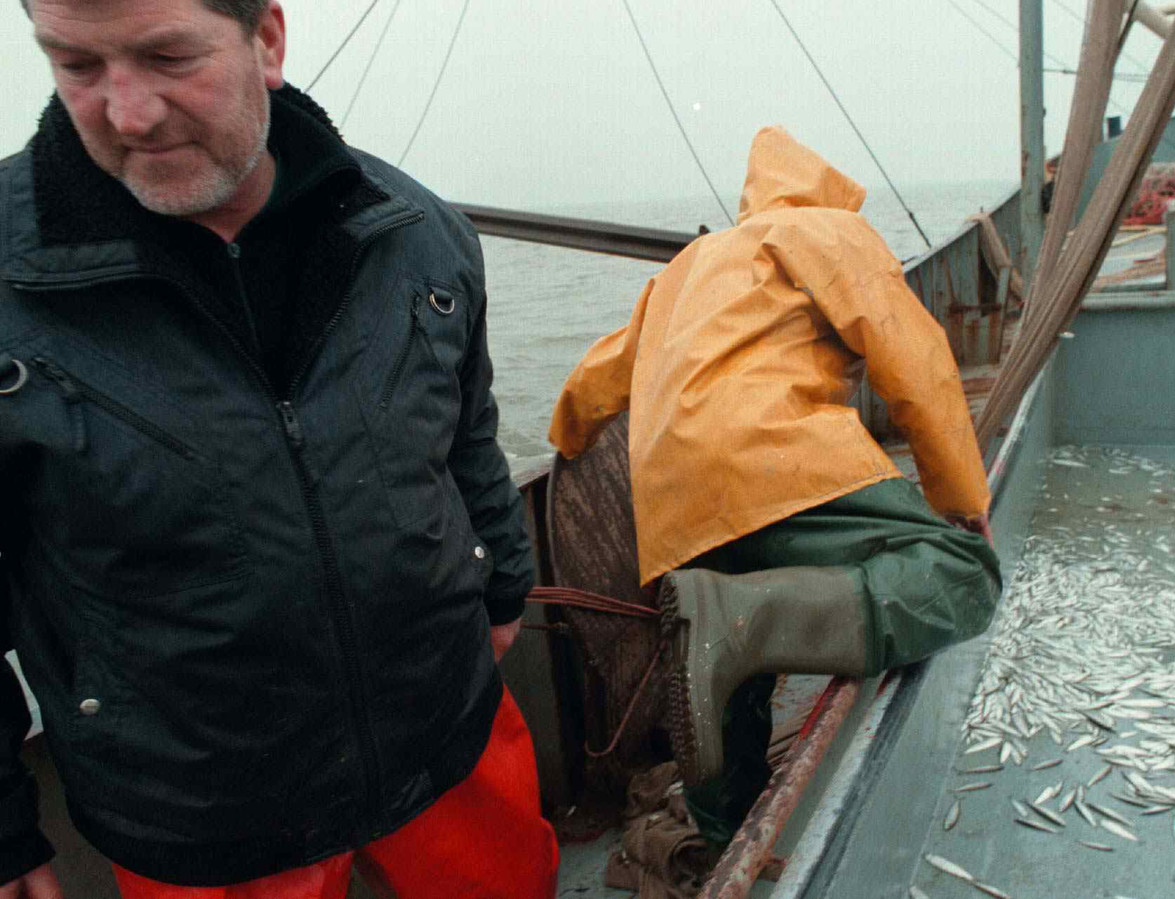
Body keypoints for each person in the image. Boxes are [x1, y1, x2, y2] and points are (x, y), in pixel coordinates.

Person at [0, 0, 557, 896]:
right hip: (202, 811)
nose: (128, 111)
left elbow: (466, 433)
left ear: (267, 39)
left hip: (449, 733)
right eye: (77, 65)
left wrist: (502, 587)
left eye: (169, 56)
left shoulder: (417, 232)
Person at [549, 126, 1002, 844]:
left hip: (671, 508)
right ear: (827, 189)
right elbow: (913, 359)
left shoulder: (688, 265)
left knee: (724, 698)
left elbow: (596, 378)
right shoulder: (829, 230)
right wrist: (961, 499)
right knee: (965, 574)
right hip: (775, 463)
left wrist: (567, 436)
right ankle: (749, 620)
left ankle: (725, 838)